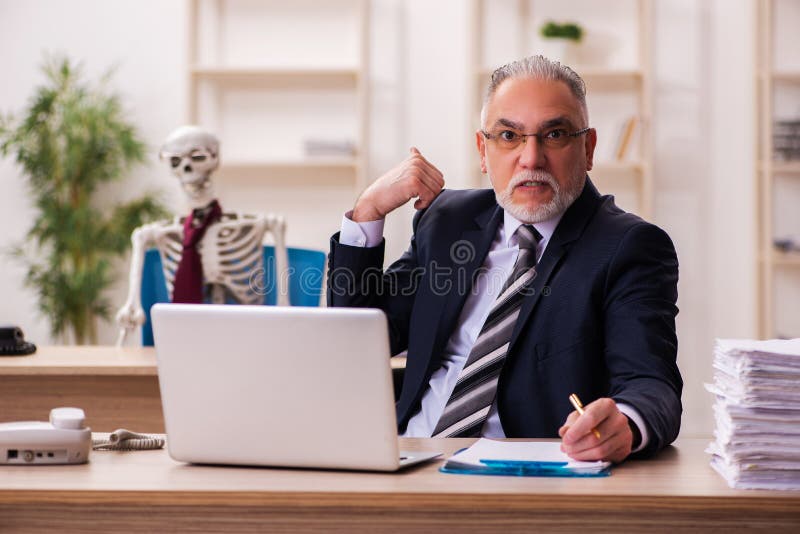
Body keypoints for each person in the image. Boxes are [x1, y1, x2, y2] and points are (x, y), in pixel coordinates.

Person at [327, 55, 681, 462]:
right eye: (509, 135)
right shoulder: (446, 220)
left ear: (588, 148)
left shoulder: (629, 246)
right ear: (483, 149)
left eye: (555, 134)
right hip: (409, 458)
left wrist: (626, 421)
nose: (531, 158)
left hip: (527, 478)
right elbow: (354, 345)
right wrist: (368, 213)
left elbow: (652, 385)